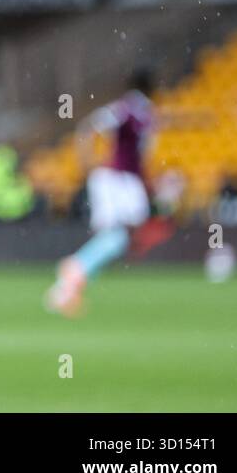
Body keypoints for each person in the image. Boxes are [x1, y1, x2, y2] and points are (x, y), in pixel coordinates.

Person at [46, 69, 157, 317]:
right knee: (120, 236)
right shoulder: (135, 110)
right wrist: (87, 160)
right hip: (117, 179)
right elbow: (90, 128)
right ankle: (75, 270)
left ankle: (70, 283)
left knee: (119, 235)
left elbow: (89, 127)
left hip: (119, 178)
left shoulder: (131, 109)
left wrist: (87, 159)